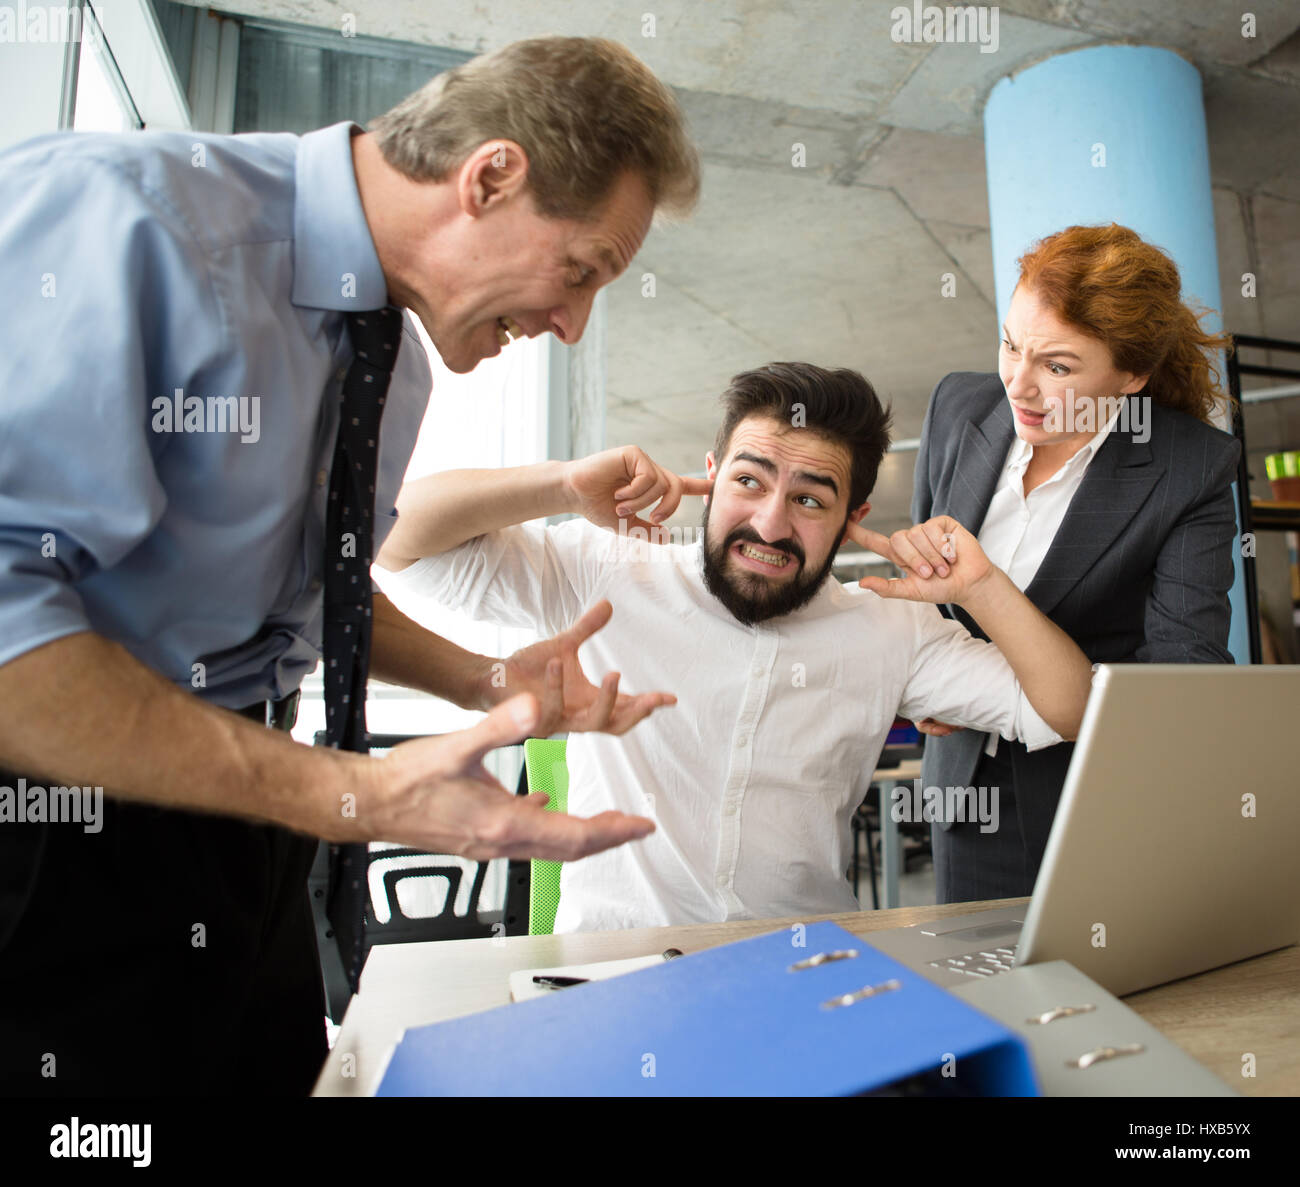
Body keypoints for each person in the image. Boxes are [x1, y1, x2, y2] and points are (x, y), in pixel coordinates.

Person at [0, 36, 699, 1096]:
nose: (570, 325)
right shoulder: (124, 214)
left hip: (247, 829)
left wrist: (485, 680)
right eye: (581, 270)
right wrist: (355, 795)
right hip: (60, 831)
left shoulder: (397, 364)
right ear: (491, 175)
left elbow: (309, 593)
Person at [376, 362, 1096, 933]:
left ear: (853, 518)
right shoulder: (609, 570)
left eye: (811, 500)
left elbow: (1071, 709)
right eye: (749, 481)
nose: (771, 523)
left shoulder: (891, 629)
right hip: (614, 971)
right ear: (711, 475)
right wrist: (563, 482)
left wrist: (981, 588)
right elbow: (397, 536)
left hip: (807, 974)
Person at [911, 223, 1242, 904]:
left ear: (1133, 374)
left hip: (1098, 802)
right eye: (1010, 344)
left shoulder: (1191, 467)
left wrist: (989, 606)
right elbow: (926, 592)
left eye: (1057, 367)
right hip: (964, 790)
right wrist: (924, 680)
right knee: (981, 1001)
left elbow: (1181, 683)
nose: (1019, 386)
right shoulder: (956, 406)